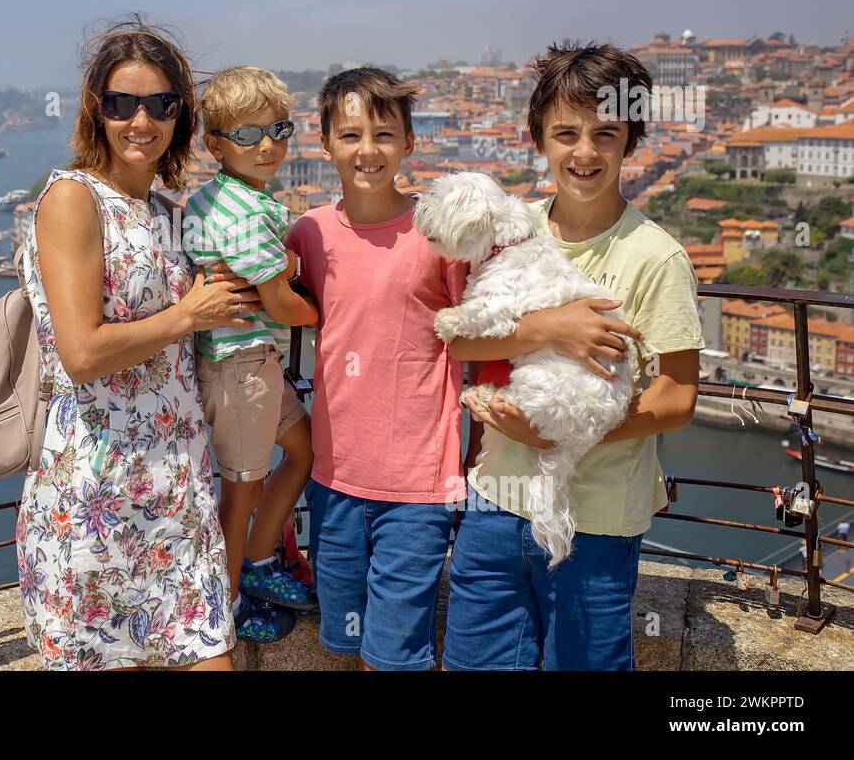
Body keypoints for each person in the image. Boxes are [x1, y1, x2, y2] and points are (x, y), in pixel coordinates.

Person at [442, 41, 703, 671]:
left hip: (599, 518)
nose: (584, 152)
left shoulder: (656, 257)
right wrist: (550, 329)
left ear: (630, 141)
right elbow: (462, 340)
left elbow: (676, 398)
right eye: (566, 133)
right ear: (538, 139)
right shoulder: (512, 229)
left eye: (604, 134)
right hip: (495, 498)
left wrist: (558, 430)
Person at [15, 18, 255, 670]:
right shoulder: (73, 200)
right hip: (97, 491)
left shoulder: (167, 211)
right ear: (97, 110)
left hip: (179, 488)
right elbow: (81, 354)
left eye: (161, 104)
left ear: (181, 114)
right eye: (123, 103)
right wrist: (186, 316)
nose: (141, 121)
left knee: (212, 655)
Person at [285, 67, 469, 670]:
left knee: (394, 657)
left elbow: (480, 331)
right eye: (351, 135)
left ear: (409, 143)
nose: (368, 150)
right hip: (333, 478)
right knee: (346, 646)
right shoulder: (309, 232)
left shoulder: (439, 234)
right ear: (325, 143)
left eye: (384, 134)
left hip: (416, 486)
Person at [185, 66, 318, 643]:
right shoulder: (243, 213)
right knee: (241, 491)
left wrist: (287, 267)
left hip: (249, 364)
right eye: (247, 135)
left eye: (277, 131)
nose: (267, 146)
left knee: (305, 448)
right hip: (242, 368)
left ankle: (259, 560)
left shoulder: (214, 198)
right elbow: (281, 304)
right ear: (216, 145)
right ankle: (230, 605)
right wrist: (333, 314)